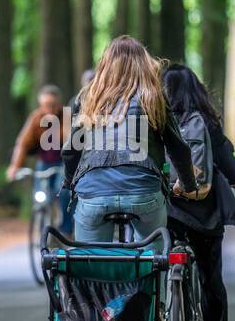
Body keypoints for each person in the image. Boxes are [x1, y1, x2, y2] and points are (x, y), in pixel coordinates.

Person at [61, 36, 197, 244]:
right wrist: (188, 184)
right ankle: (152, 272)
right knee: (154, 259)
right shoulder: (152, 97)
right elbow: (178, 147)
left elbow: (71, 150)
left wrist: (70, 183)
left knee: (90, 261)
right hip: (144, 192)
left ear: (105, 65)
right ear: (143, 64)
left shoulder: (90, 99)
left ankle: (93, 275)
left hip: (94, 191)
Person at [162, 64, 235, 321]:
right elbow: (226, 163)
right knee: (212, 280)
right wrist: (232, 177)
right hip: (204, 215)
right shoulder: (206, 122)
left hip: (167, 212)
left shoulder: (153, 123)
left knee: (159, 266)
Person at [7, 84, 73, 233]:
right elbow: (23, 143)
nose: (49, 108)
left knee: (62, 191)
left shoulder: (66, 117)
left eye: (52, 104)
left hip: (63, 163)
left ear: (59, 104)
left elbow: (70, 139)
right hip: (44, 163)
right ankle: (44, 224)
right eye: (45, 105)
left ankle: (66, 229)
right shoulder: (36, 118)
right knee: (40, 195)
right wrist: (14, 166)